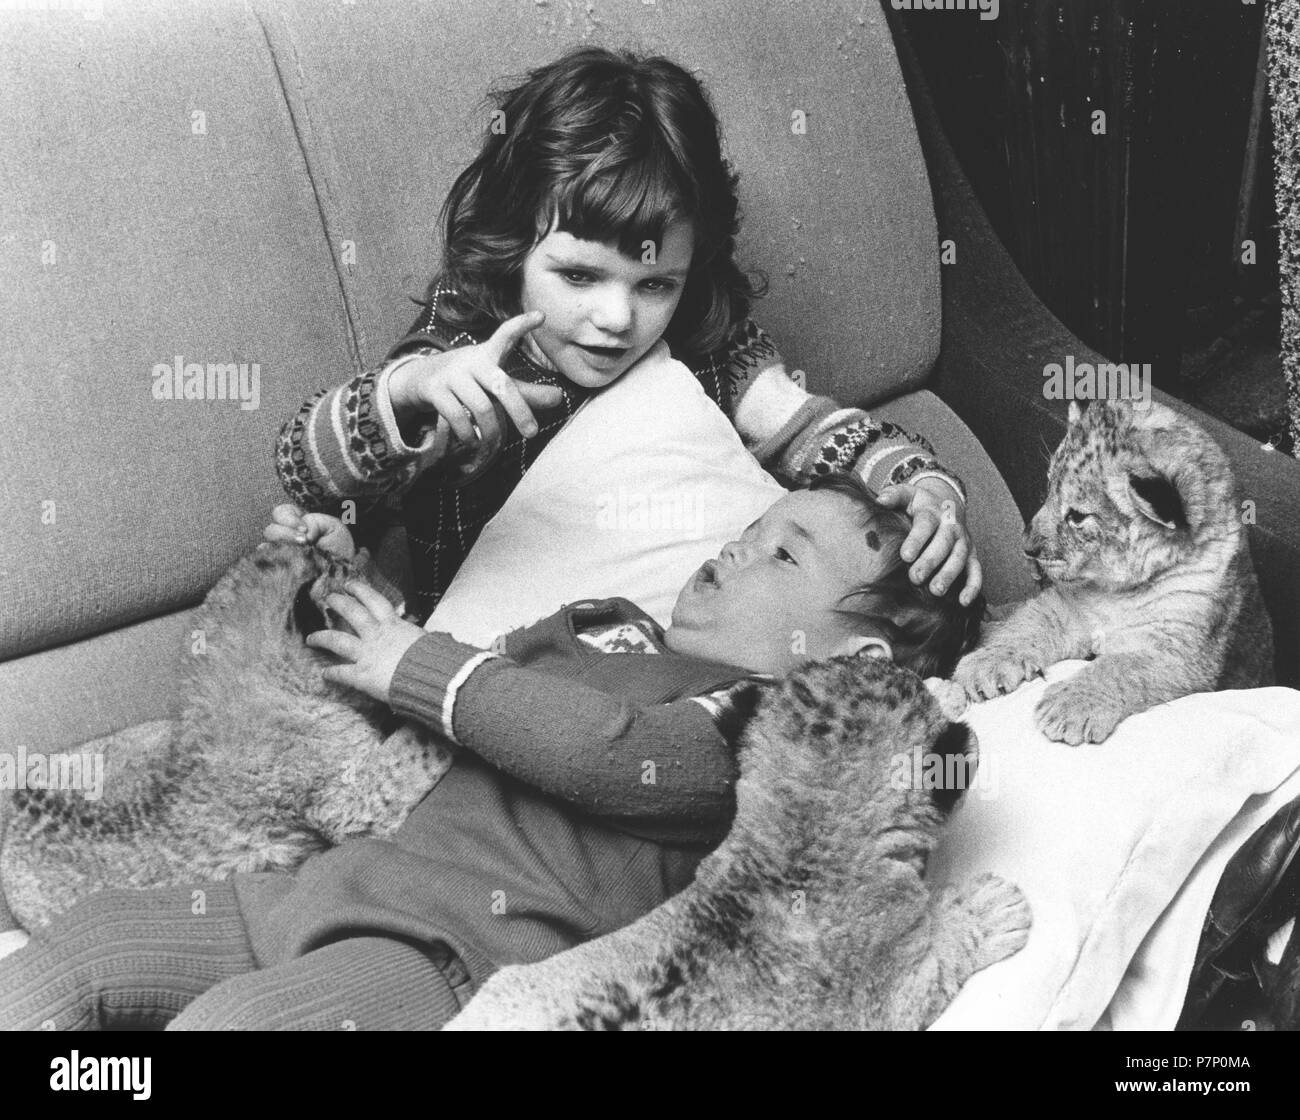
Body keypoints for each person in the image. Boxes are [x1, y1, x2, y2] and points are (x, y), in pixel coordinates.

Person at [0, 473, 982, 1031]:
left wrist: (419, 664)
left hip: (444, 958)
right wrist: (359, 607)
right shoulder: (604, 626)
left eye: (784, 554)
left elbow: (603, 752)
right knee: (83, 950)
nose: (737, 546)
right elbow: (458, 700)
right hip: (326, 886)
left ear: (854, 661)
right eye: (750, 525)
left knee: (231, 1031)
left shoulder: (760, 727)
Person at [266, 45, 984, 622]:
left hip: (656, 671)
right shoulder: (468, 348)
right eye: (579, 277)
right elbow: (306, 463)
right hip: (473, 667)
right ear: (515, 245)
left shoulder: (709, 345)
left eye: (655, 284)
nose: (617, 320)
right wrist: (413, 389)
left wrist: (924, 491)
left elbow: (816, 432)